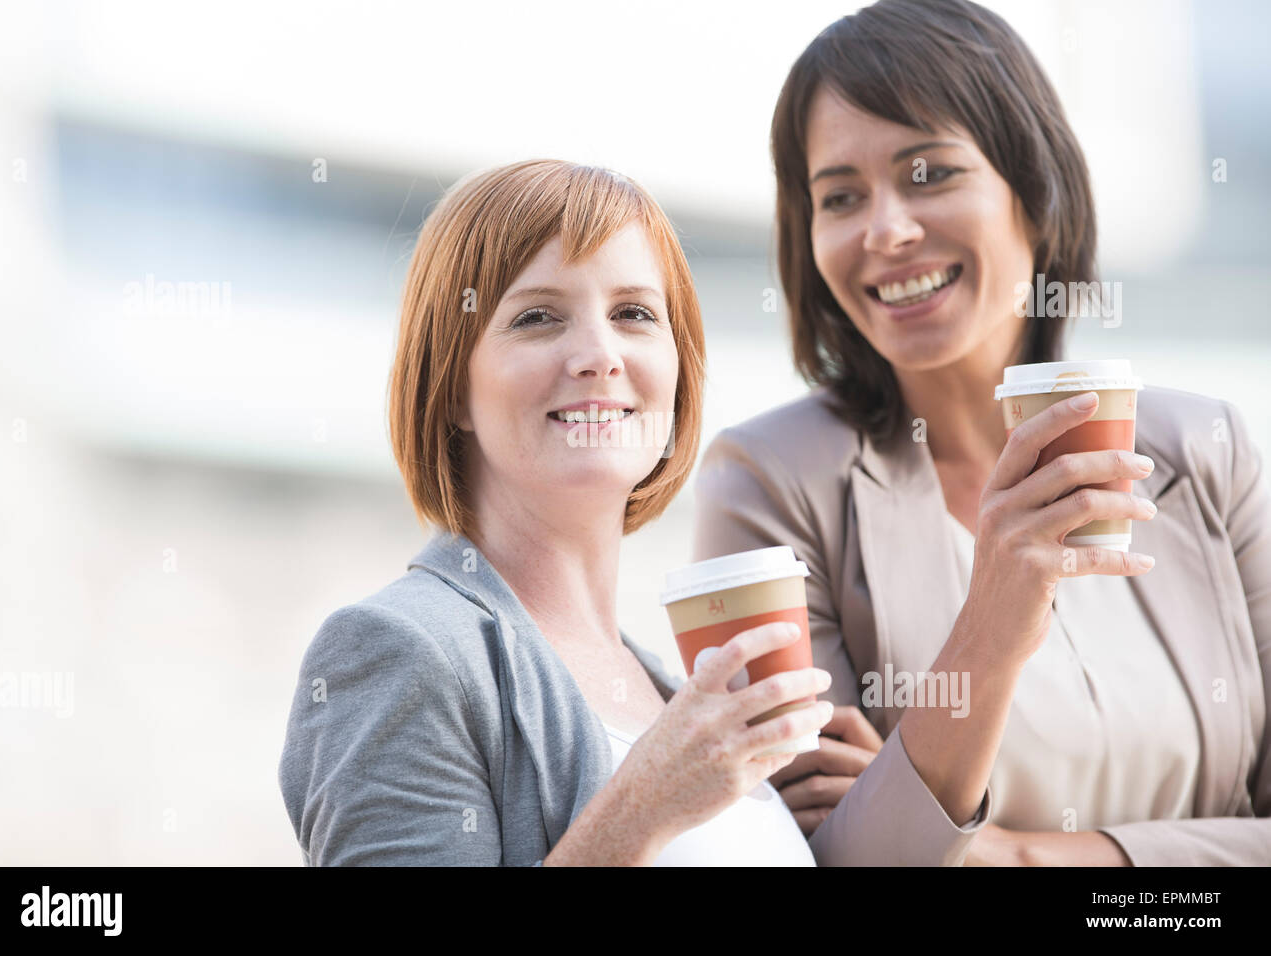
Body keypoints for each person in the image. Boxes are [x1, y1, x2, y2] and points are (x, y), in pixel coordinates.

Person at [278, 158, 994, 866]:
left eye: (634, 314)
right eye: (537, 317)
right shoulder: (400, 651)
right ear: (452, 388)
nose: (599, 354)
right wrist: (642, 808)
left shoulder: (673, 696)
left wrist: (863, 810)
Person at [692, 0, 1271, 865]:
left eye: (929, 173)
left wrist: (1010, 854)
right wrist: (994, 620)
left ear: (1032, 194)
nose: (885, 229)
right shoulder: (767, 485)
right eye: (841, 196)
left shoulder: (1206, 450)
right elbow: (839, 863)